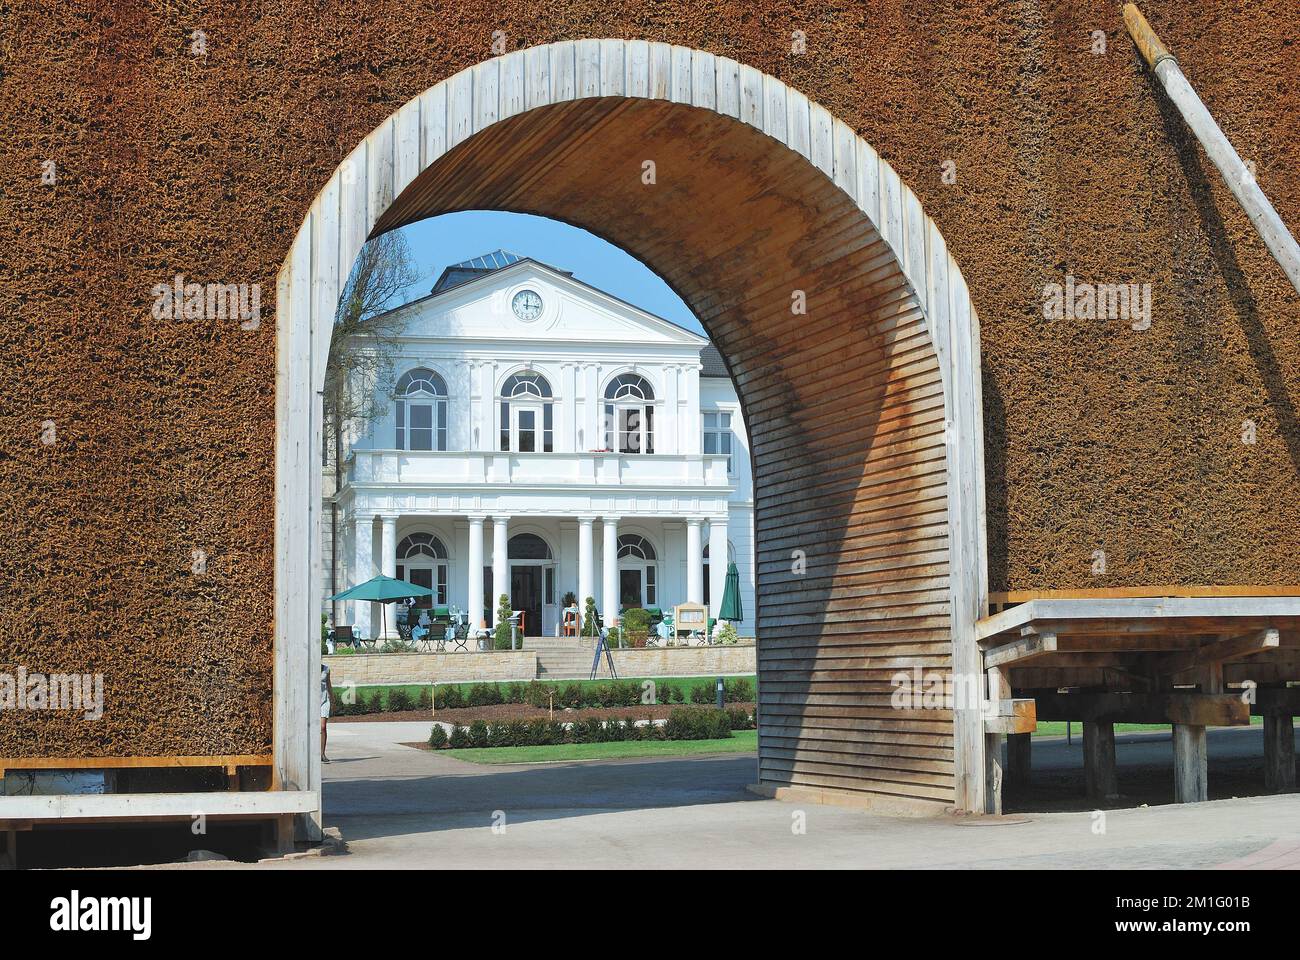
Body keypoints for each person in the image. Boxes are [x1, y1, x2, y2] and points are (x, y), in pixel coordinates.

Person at [320, 662, 333, 763]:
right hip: (311, 701)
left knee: (323, 727)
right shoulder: (308, 669)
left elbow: (328, 684)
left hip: (324, 700)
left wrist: (332, 700)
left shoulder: (326, 669)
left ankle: (322, 754)